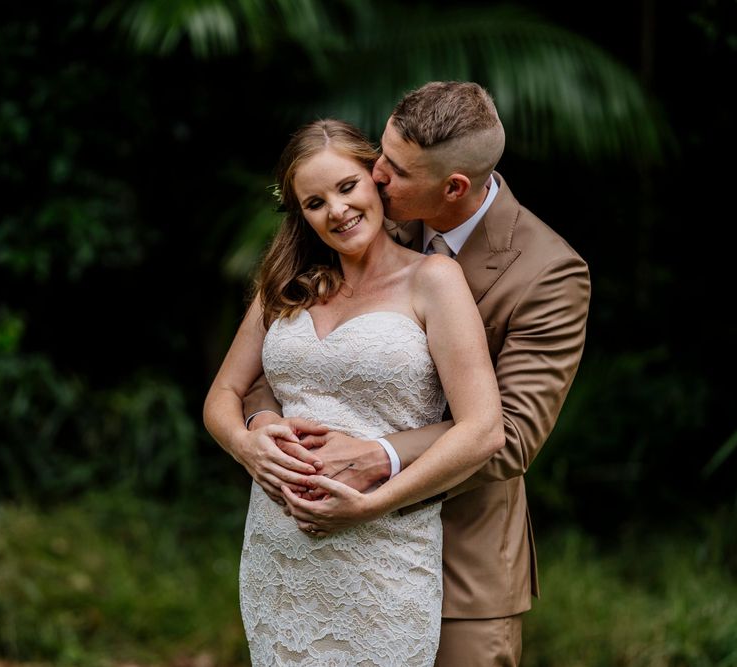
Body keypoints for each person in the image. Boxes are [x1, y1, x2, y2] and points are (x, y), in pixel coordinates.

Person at [243, 81, 592, 666]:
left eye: (395, 169)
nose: (375, 174)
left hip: (464, 563)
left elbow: (508, 435)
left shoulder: (547, 274)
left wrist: (377, 456)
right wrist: (262, 425)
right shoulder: (362, 218)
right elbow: (274, 353)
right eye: (381, 153)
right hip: (318, 552)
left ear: (452, 186)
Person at [203, 119, 504, 665]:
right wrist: (248, 442)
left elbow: (483, 430)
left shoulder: (433, 280)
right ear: (302, 214)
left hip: (383, 554)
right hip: (279, 556)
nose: (336, 211)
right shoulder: (288, 284)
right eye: (314, 202)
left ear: (376, 179)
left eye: (347, 187)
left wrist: (370, 505)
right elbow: (224, 392)